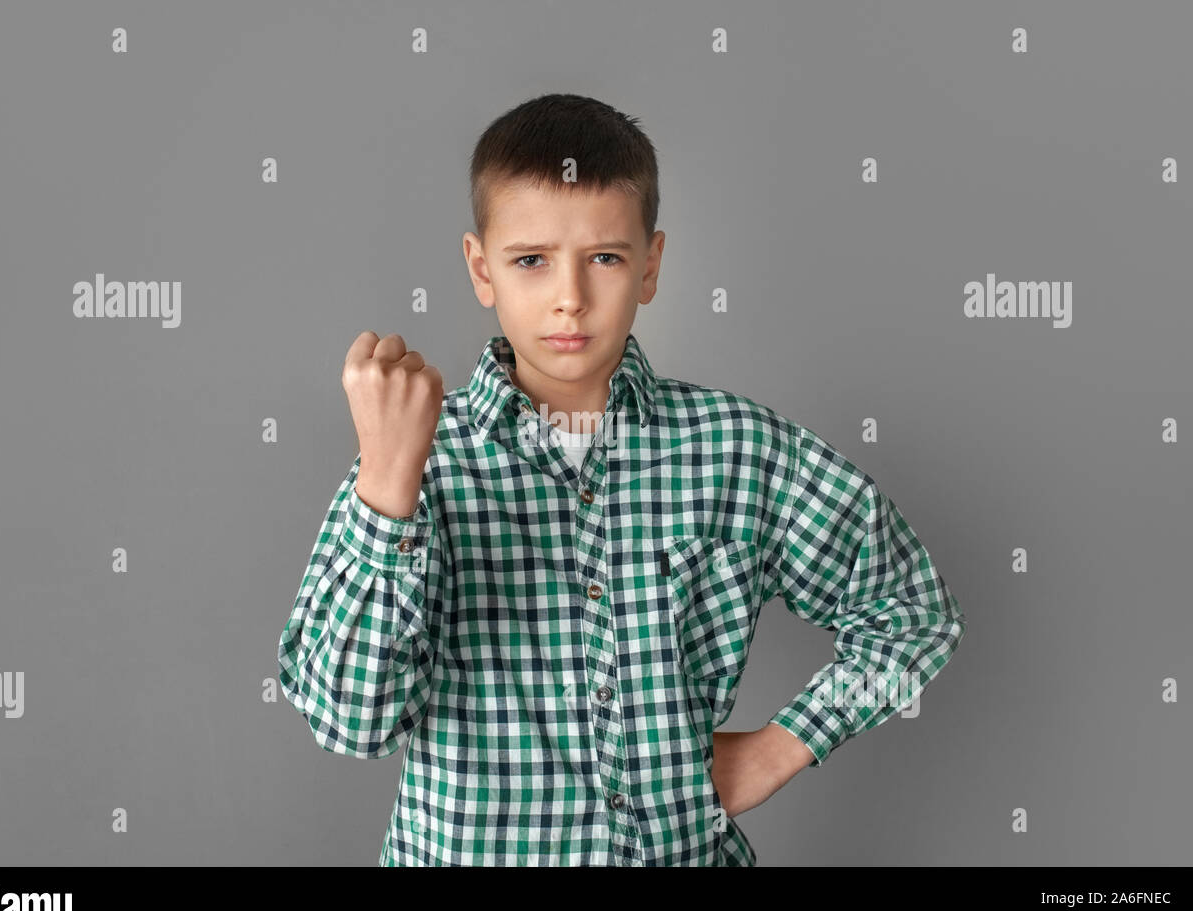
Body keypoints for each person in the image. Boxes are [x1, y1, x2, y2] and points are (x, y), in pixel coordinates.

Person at [277, 93, 967, 866]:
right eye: (530, 260)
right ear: (481, 268)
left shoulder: (738, 451)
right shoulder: (415, 461)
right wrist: (388, 488)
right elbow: (349, 725)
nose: (569, 296)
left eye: (603, 257)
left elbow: (914, 615)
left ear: (651, 265)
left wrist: (785, 745)